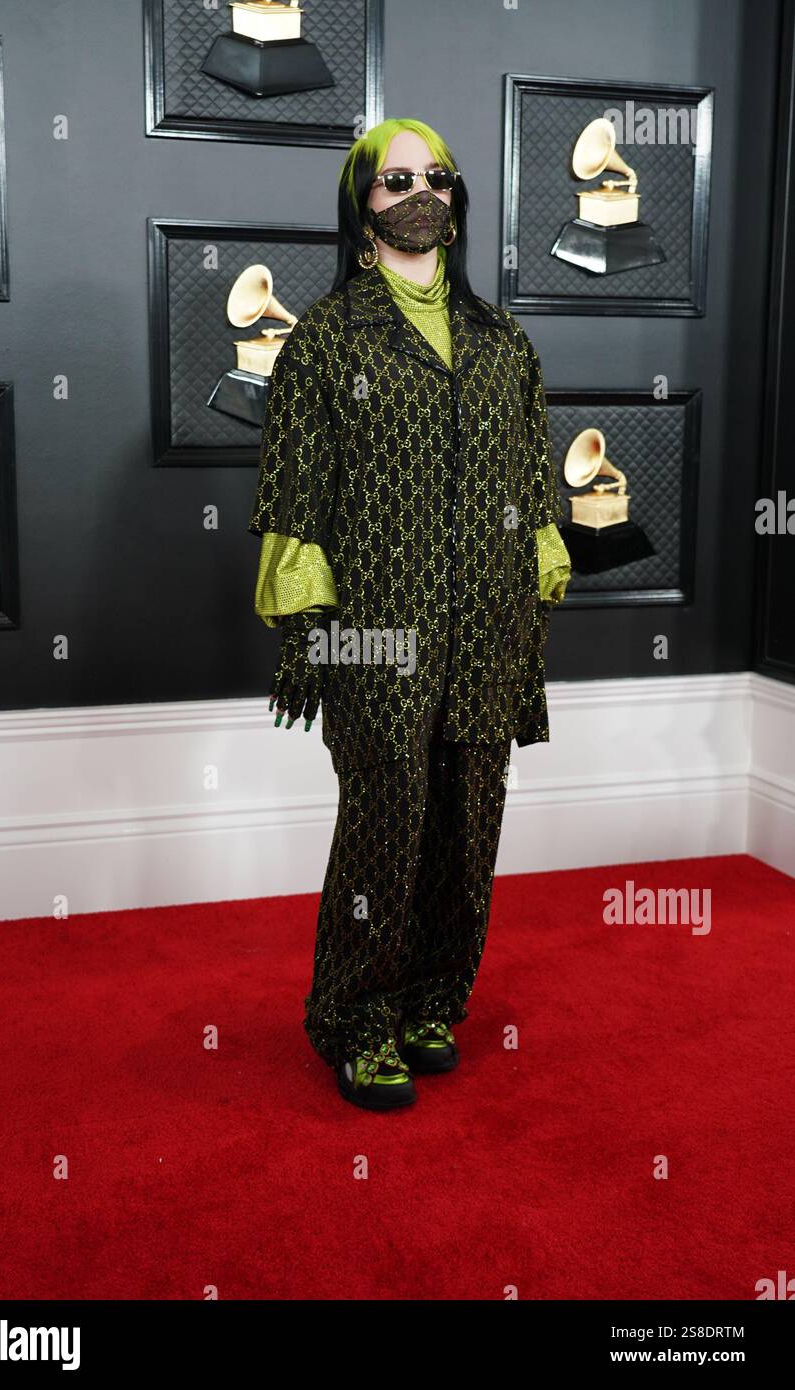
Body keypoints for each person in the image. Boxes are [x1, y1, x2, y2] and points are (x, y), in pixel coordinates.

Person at [249, 117, 571, 1110]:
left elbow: (527, 468)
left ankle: (433, 996)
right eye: (396, 178)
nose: (420, 190)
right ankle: (355, 1017)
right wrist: (307, 617)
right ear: (362, 203)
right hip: (375, 631)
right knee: (387, 820)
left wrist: (541, 555)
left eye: (436, 176)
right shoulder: (326, 338)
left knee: (469, 821)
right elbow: (295, 485)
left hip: (487, 623)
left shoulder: (499, 338)